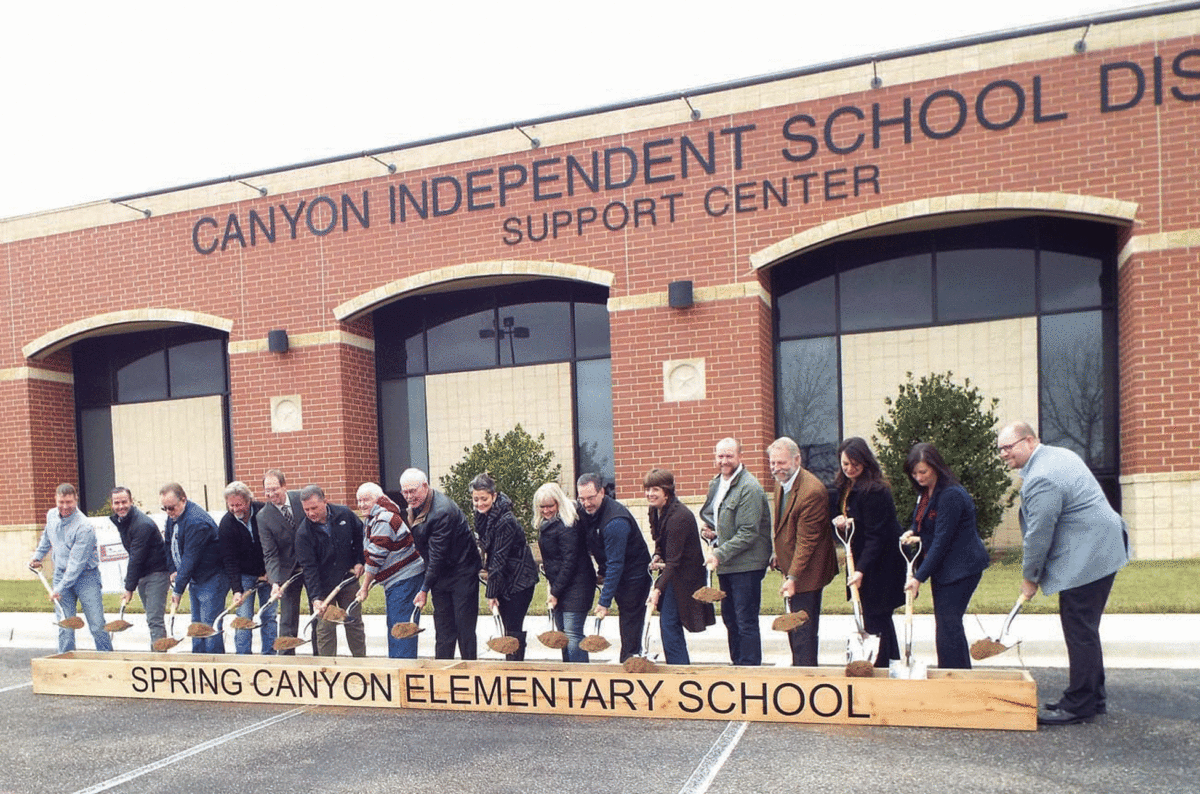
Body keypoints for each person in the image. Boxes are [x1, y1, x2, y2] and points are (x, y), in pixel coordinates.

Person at [997, 421, 1129, 726]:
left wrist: (1030, 577)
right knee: (1085, 628)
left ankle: (1079, 705)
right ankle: (1093, 698)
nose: (1004, 454)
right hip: (1101, 547)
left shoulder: (1042, 476)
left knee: (1079, 629)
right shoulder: (1057, 455)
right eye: (1000, 449)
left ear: (1029, 441)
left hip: (1090, 555)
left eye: (1009, 447)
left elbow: (1039, 534)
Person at [901, 442, 990, 670]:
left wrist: (919, 577)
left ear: (936, 467)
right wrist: (913, 531)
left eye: (923, 472)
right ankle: (954, 674)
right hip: (945, 568)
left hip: (962, 568)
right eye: (914, 473)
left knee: (949, 625)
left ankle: (955, 676)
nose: (919, 477)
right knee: (947, 624)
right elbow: (922, 521)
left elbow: (942, 540)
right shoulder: (925, 492)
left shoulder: (950, 495)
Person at [833, 437, 906, 668]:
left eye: (854, 464)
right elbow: (858, 527)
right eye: (845, 464)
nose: (849, 469)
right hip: (864, 561)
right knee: (877, 619)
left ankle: (883, 666)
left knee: (877, 620)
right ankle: (890, 665)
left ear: (865, 461)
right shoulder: (848, 487)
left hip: (880, 566)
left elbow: (877, 535)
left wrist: (862, 570)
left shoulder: (874, 491)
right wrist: (843, 524)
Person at [699, 437, 772, 666]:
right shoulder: (717, 483)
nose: (724, 461)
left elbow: (748, 533)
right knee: (730, 619)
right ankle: (737, 665)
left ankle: (750, 669)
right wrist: (711, 531)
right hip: (728, 564)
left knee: (745, 620)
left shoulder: (749, 488)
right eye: (720, 456)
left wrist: (719, 553)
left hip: (747, 565)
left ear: (740, 456)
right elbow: (714, 516)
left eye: (729, 456)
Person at [767, 437, 838, 666]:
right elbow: (784, 525)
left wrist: (793, 577)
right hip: (791, 566)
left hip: (808, 572)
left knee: (804, 633)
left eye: (781, 462)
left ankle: (807, 676)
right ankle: (799, 669)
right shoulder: (782, 482)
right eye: (773, 463)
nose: (776, 468)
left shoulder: (812, 491)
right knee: (793, 630)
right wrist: (779, 554)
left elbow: (807, 541)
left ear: (797, 460)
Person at [402, 468, 482, 660]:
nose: (409, 496)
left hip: (463, 572)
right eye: (405, 492)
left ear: (425, 486)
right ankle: (442, 676)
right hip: (442, 575)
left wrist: (424, 589)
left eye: (412, 491)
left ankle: (470, 673)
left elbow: (437, 555)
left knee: (464, 629)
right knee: (444, 628)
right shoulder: (417, 506)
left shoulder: (442, 511)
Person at [30, 483, 113, 653]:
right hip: (60, 574)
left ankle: (107, 661)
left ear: (76, 500)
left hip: (86, 577)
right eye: (61, 502)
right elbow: (47, 537)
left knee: (97, 625)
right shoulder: (51, 515)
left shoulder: (84, 526)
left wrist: (58, 589)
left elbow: (76, 565)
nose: (65, 506)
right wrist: (37, 556)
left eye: (69, 502)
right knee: (65, 626)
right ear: (56, 500)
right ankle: (65, 666)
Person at [578, 472, 652, 662]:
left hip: (634, 575)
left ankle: (631, 660)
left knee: (630, 619)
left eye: (591, 498)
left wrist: (604, 602)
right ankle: (628, 658)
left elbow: (615, 564)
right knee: (627, 620)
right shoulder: (586, 510)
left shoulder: (615, 522)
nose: (586, 504)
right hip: (615, 568)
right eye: (582, 499)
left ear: (602, 492)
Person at [646, 468, 714, 664]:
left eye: (655, 489)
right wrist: (658, 555)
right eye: (648, 489)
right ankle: (677, 666)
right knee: (669, 624)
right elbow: (659, 540)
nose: (650, 494)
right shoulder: (656, 510)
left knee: (669, 623)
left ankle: (680, 670)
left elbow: (674, 561)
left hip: (686, 577)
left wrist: (657, 590)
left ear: (666, 491)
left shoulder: (679, 517)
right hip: (673, 573)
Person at [472, 473, 539, 661]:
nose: (479, 503)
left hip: (520, 580)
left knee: (512, 628)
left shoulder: (506, 520)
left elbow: (499, 558)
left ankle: (515, 672)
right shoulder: (484, 516)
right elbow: (488, 549)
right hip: (505, 577)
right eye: (476, 499)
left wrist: (491, 593)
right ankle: (512, 669)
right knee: (507, 626)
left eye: (484, 499)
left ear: (494, 496)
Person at [294, 485, 365, 657]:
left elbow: (360, 536)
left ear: (325, 502)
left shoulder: (344, 514)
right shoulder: (303, 534)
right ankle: (327, 669)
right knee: (325, 628)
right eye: (306, 510)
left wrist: (359, 561)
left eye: (314, 508)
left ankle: (361, 663)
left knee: (353, 622)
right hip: (325, 587)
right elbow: (309, 570)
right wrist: (316, 598)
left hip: (347, 580)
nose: (310, 513)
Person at [356, 482, 425, 659]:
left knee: (401, 628)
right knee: (395, 624)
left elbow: (375, 558)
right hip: (396, 579)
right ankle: (397, 667)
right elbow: (372, 552)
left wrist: (364, 587)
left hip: (405, 577)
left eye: (366, 500)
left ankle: (404, 671)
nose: (361, 504)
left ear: (378, 499)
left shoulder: (384, 519)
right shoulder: (374, 517)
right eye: (359, 500)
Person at [162, 482, 228, 654]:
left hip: (212, 578)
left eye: (171, 508)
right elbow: (168, 544)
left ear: (183, 500)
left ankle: (214, 667)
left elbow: (190, 558)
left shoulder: (196, 522)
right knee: (196, 627)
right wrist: (173, 570)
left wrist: (177, 591)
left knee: (208, 627)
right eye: (165, 509)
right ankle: (197, 664)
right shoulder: (174, 517)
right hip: (195, 578)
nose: (169, 513)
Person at [534, 482, 595, 662]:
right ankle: (569, 673)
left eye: (550, 506)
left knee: (572, 634)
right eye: (542, 507)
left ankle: (581, 676)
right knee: (563, 637)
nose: (546, 510)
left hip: (578, 585)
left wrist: (555, 591)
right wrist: (552, 588)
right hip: (561, 585)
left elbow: (570, 562)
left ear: (559, 503)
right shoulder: (546, 525)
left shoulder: (568, 525)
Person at [109, 486, 170, 649]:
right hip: (144, 574)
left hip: (157, 573)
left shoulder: (141, 524)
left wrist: (129, 588)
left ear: (131, 502)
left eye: (124, 502)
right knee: (152, 618)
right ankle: (158, 654)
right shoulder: (123, 521)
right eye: (116, 503)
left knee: (154, 619)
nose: (120, 506)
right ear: (112, 505)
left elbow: (136, 558)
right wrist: (132, 584)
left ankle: (159, 662)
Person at [218, 481, 275, 655]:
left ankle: (270, 656)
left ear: (248, 500)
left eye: (239, 504)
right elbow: (229, 559)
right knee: (243, 619)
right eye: (231, 505)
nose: (235, 509)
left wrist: (271, 571)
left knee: (269, 616)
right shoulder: (227, 524)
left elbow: (274, 544)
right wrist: (237, 590)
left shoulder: (264, 512)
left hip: (268, 573)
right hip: (244, 576)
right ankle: (243, 658)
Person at [257, 469, 308, 655]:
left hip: (311, 567)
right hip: (287, 571)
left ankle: (322, 658)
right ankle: (287, 661)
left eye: (274, 489)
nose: (271, 494)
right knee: (287, 619)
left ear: (285, 486)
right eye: (267, 490)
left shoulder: (301, 499)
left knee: (319, 613)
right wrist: (275, 582)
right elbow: (269, 553)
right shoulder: (263, 517)